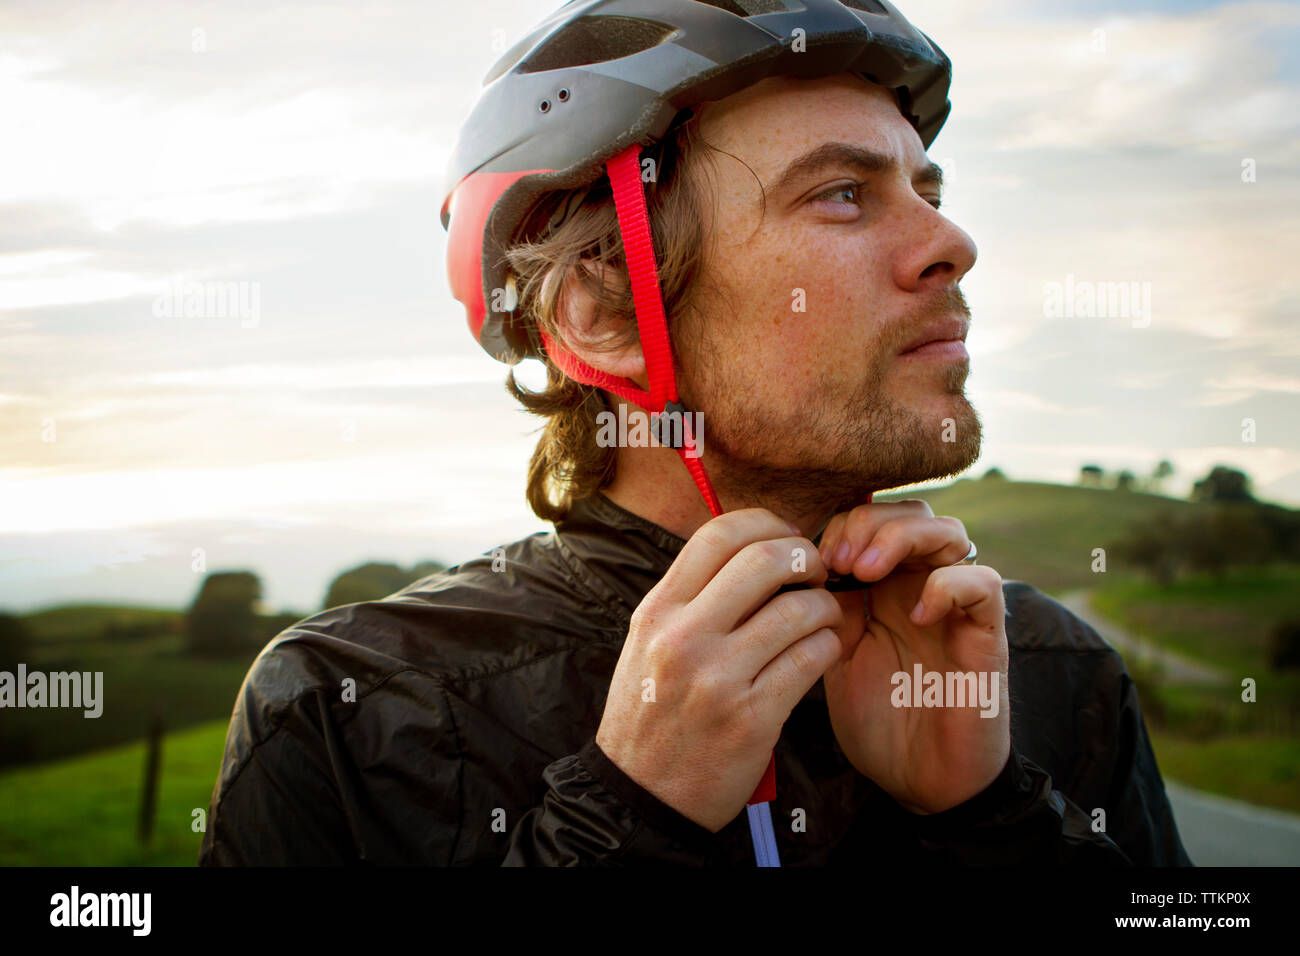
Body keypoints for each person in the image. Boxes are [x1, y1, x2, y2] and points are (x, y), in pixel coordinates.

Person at [199, 0, 1192, 866]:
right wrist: (626, 819)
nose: (952, 245)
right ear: (607, 315)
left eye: (927, 192)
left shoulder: (1051, 666)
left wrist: (991, 820)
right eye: (842, 193)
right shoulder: (349, 710)